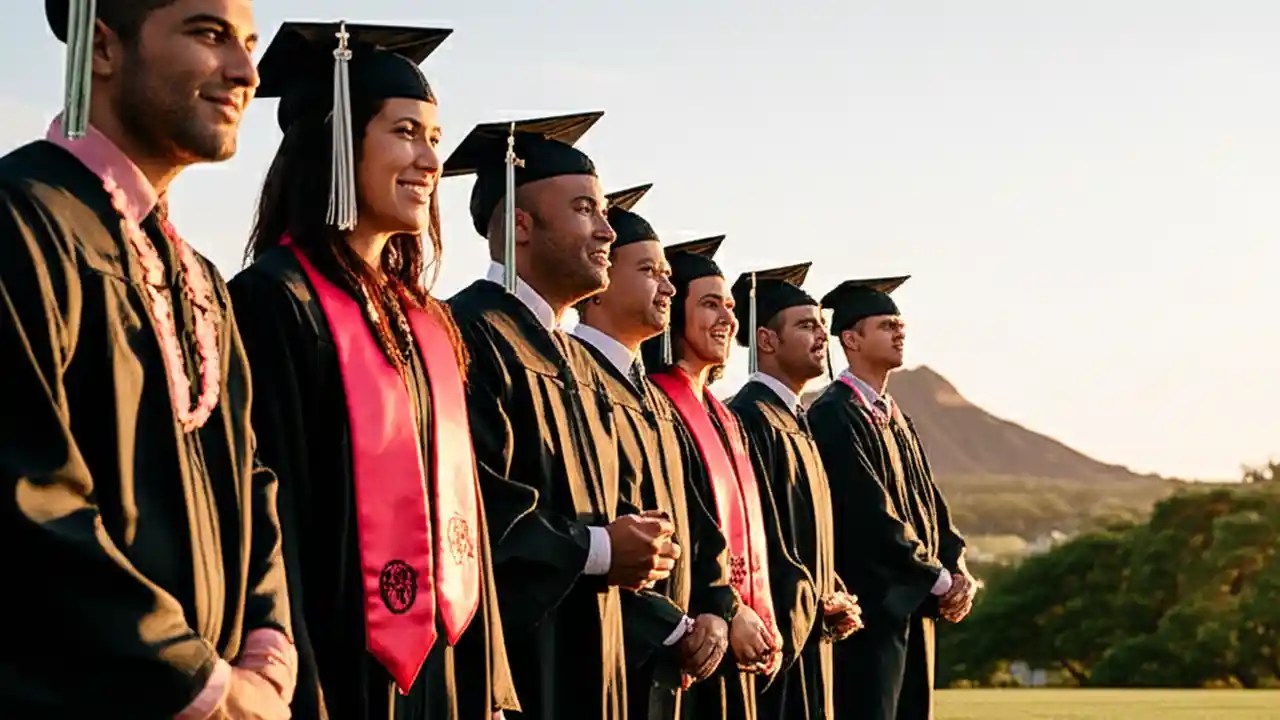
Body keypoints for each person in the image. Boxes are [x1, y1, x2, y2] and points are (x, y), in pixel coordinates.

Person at [0, 1, 296, 717]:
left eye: (249, 44)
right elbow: (24, 495)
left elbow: (251, 479)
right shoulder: (22, 222)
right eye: (208, 34)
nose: (246, 72)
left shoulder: (200, 279)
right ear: (102, 48)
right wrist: (201, 685)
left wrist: (268, 648)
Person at [227, 21, 518, 720]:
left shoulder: (426, 322)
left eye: (435, 141)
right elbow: (274, 513)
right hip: (333, 667)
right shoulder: (273, 302)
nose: (428, 162)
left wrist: (493, 685)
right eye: (405, 133)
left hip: (447, 674)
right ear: (336, 142)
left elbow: (464, 518)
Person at [444, 113, 681, 720]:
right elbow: (474, 515)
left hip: (596, 661)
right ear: (521, 225)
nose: (607, 230)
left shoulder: (575, 359)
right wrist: (600, 550)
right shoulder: (469, 333)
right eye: (585, 209)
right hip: (515, 673)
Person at [571, 194, 736, 719]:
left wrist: (714, 609)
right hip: (606, 653)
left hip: (673, 662)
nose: (668, 287)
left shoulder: (656, 400)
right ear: (601, 283)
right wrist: (673, 626)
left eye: (668, 273)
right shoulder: (570, 380)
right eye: (649, 270)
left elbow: (700, 526)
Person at [807, 276, 976, 720]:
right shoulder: (834, 415)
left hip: (915, 604)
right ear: (851, 338)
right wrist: (938, 579)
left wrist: (957, 566)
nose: (900, 333)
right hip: (873, 614)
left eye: (900, 325)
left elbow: (932, 504)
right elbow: (869, 515)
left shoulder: (894, 415)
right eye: (886, 325)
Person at [640, 237, 787, 720]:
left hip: (740, 639)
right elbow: (685, 527)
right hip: (693, 637)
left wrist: (762, 615)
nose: (727, 318)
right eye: (709, 304)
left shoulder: (727, 418)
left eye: (729, 306)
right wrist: (726, 608)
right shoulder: (656, 406)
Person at [726, 264, 863, 720]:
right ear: (766, 340)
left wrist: (833, 591)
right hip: (777, 642)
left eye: (822, 327)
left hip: (812, 638)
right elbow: (761, 538)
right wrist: (808, 603)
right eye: (806, 326)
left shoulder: (797, 420)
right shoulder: (751, 420)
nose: (822, 337)